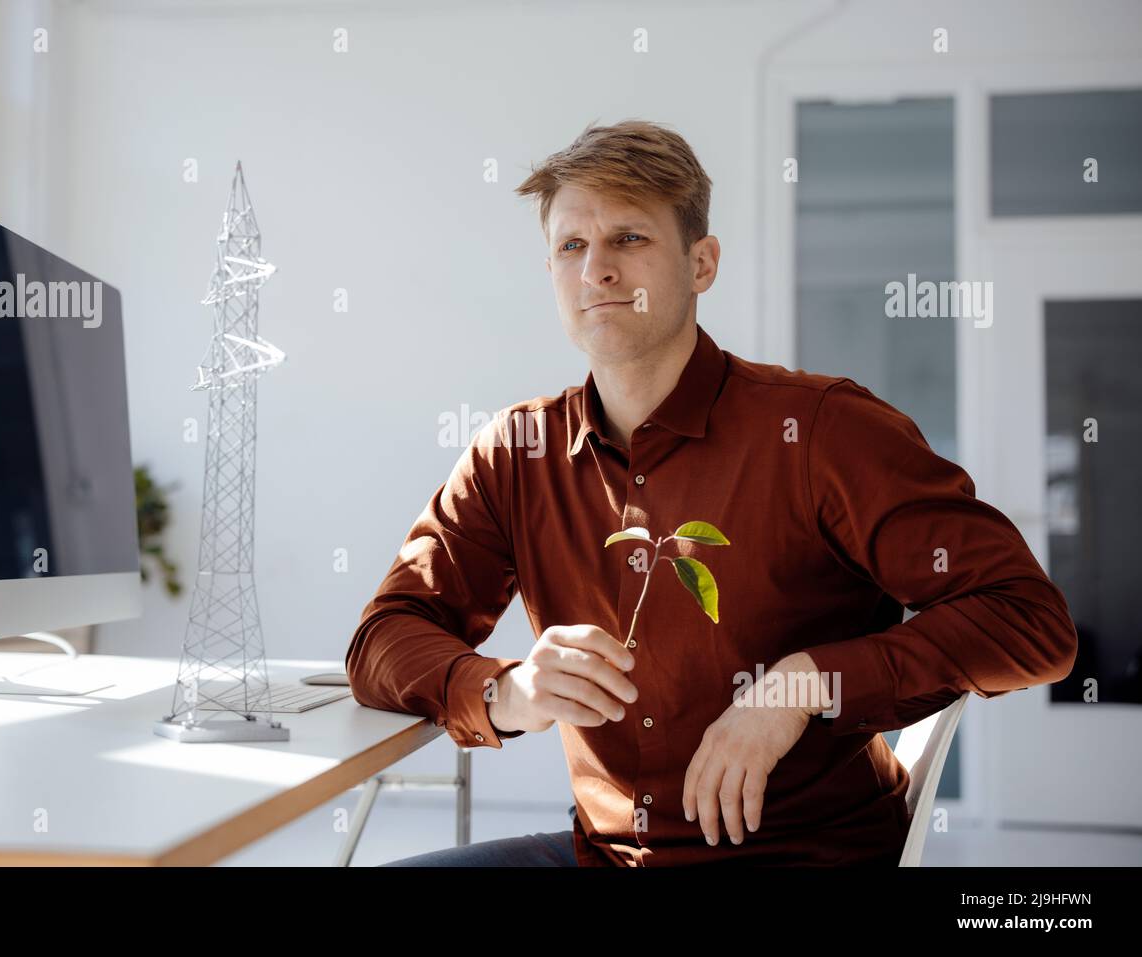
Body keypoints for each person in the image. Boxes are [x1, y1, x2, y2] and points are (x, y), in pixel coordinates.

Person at [348, 119, 1078, 867]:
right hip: (603, 854)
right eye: (572, 245)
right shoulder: (515, 452)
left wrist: (805, 682)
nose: (596, 268)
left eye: (629, 239)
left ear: (703, 263)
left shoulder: (824, 430)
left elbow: (1031, 622)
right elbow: (383, 637)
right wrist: (505, 689)